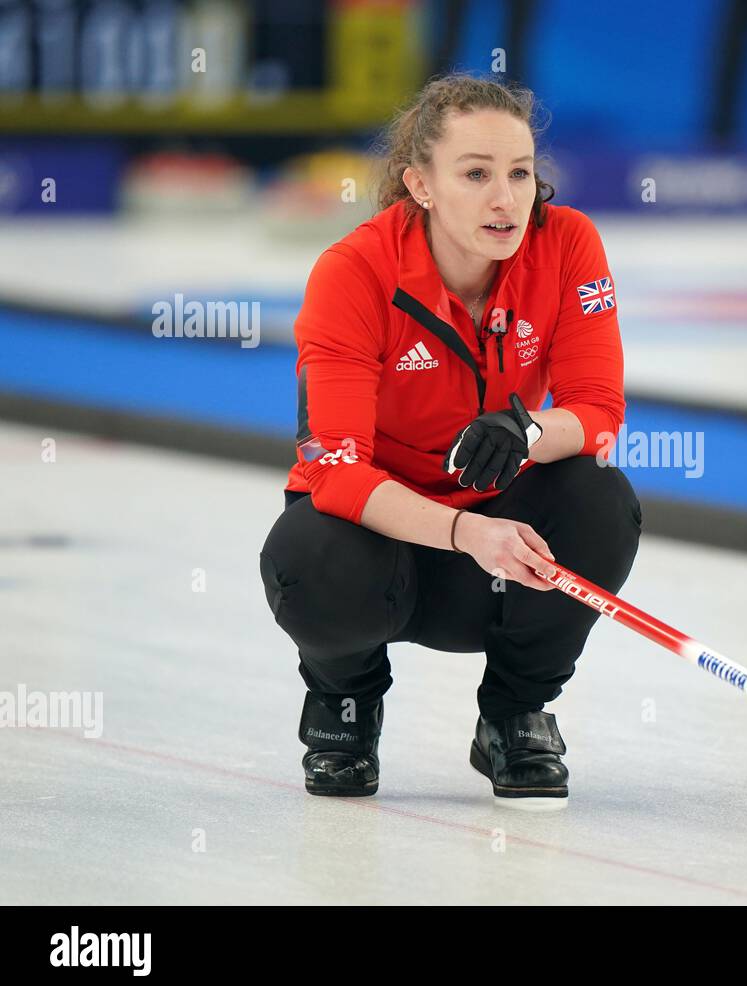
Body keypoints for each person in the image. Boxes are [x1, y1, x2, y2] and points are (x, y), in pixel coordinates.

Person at [258, 73, 642, 810]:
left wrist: (529, 430)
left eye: (520, 173)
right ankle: (345, 701)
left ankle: (515, 713)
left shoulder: (568, 245)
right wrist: (465, 531)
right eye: (476, 175)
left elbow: (597, 411)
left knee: (599, 497)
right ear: (420, 186)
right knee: (311, 555)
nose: (507, 199)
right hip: (385, 548)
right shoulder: (353, 272)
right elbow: (334, 471)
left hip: (493, 563)